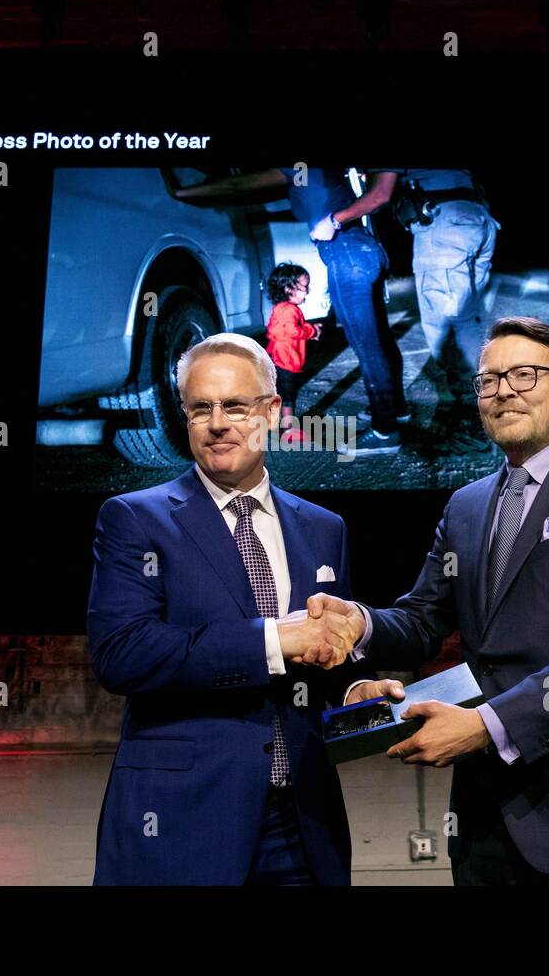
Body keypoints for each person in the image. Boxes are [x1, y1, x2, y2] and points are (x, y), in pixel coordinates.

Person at [310, 317, 549, 885]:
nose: (504, 390)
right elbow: (422, 618)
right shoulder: (466, 504)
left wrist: (485, 725)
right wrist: (359, 624)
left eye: (525, 374)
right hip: (484, 821)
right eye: (489, 380)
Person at [88, 332, 377, 885]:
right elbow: (121, 655)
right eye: (202, 408)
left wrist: (353, 692)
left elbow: (324, 658)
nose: (218, 423)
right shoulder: (134, 519)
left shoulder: (323, 528)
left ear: (270, 412)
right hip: (181, 821)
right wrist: (273, 639)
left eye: (236, 406)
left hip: (301, 823)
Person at [176, 169, 407, 455]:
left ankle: (385, 430)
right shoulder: (320, 175)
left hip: (345, 251)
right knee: (378, 338)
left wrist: (178, 191)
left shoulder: (301, 167)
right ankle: (395, 409)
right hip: (360, 247)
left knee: (367, 345)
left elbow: (237, 183)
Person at [318, 168, 499, 420]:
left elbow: (379, 196)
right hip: (476, 219)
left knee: (446, 328)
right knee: (466, 321)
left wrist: (335, 220)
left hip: (443, 226)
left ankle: (474, 415)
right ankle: (483, 401)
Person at [265, 262, 320, 445]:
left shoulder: (280, 308)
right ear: (289, 288)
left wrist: (308, 329)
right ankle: (288, 431)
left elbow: (280, 330)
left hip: (278, 357)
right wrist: (311, 331)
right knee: (289, 396)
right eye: (304, 287)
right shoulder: (290, 310)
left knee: (282, 393)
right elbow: (293, 331)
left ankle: (281, 426)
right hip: (287, 360)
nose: (308, 291)